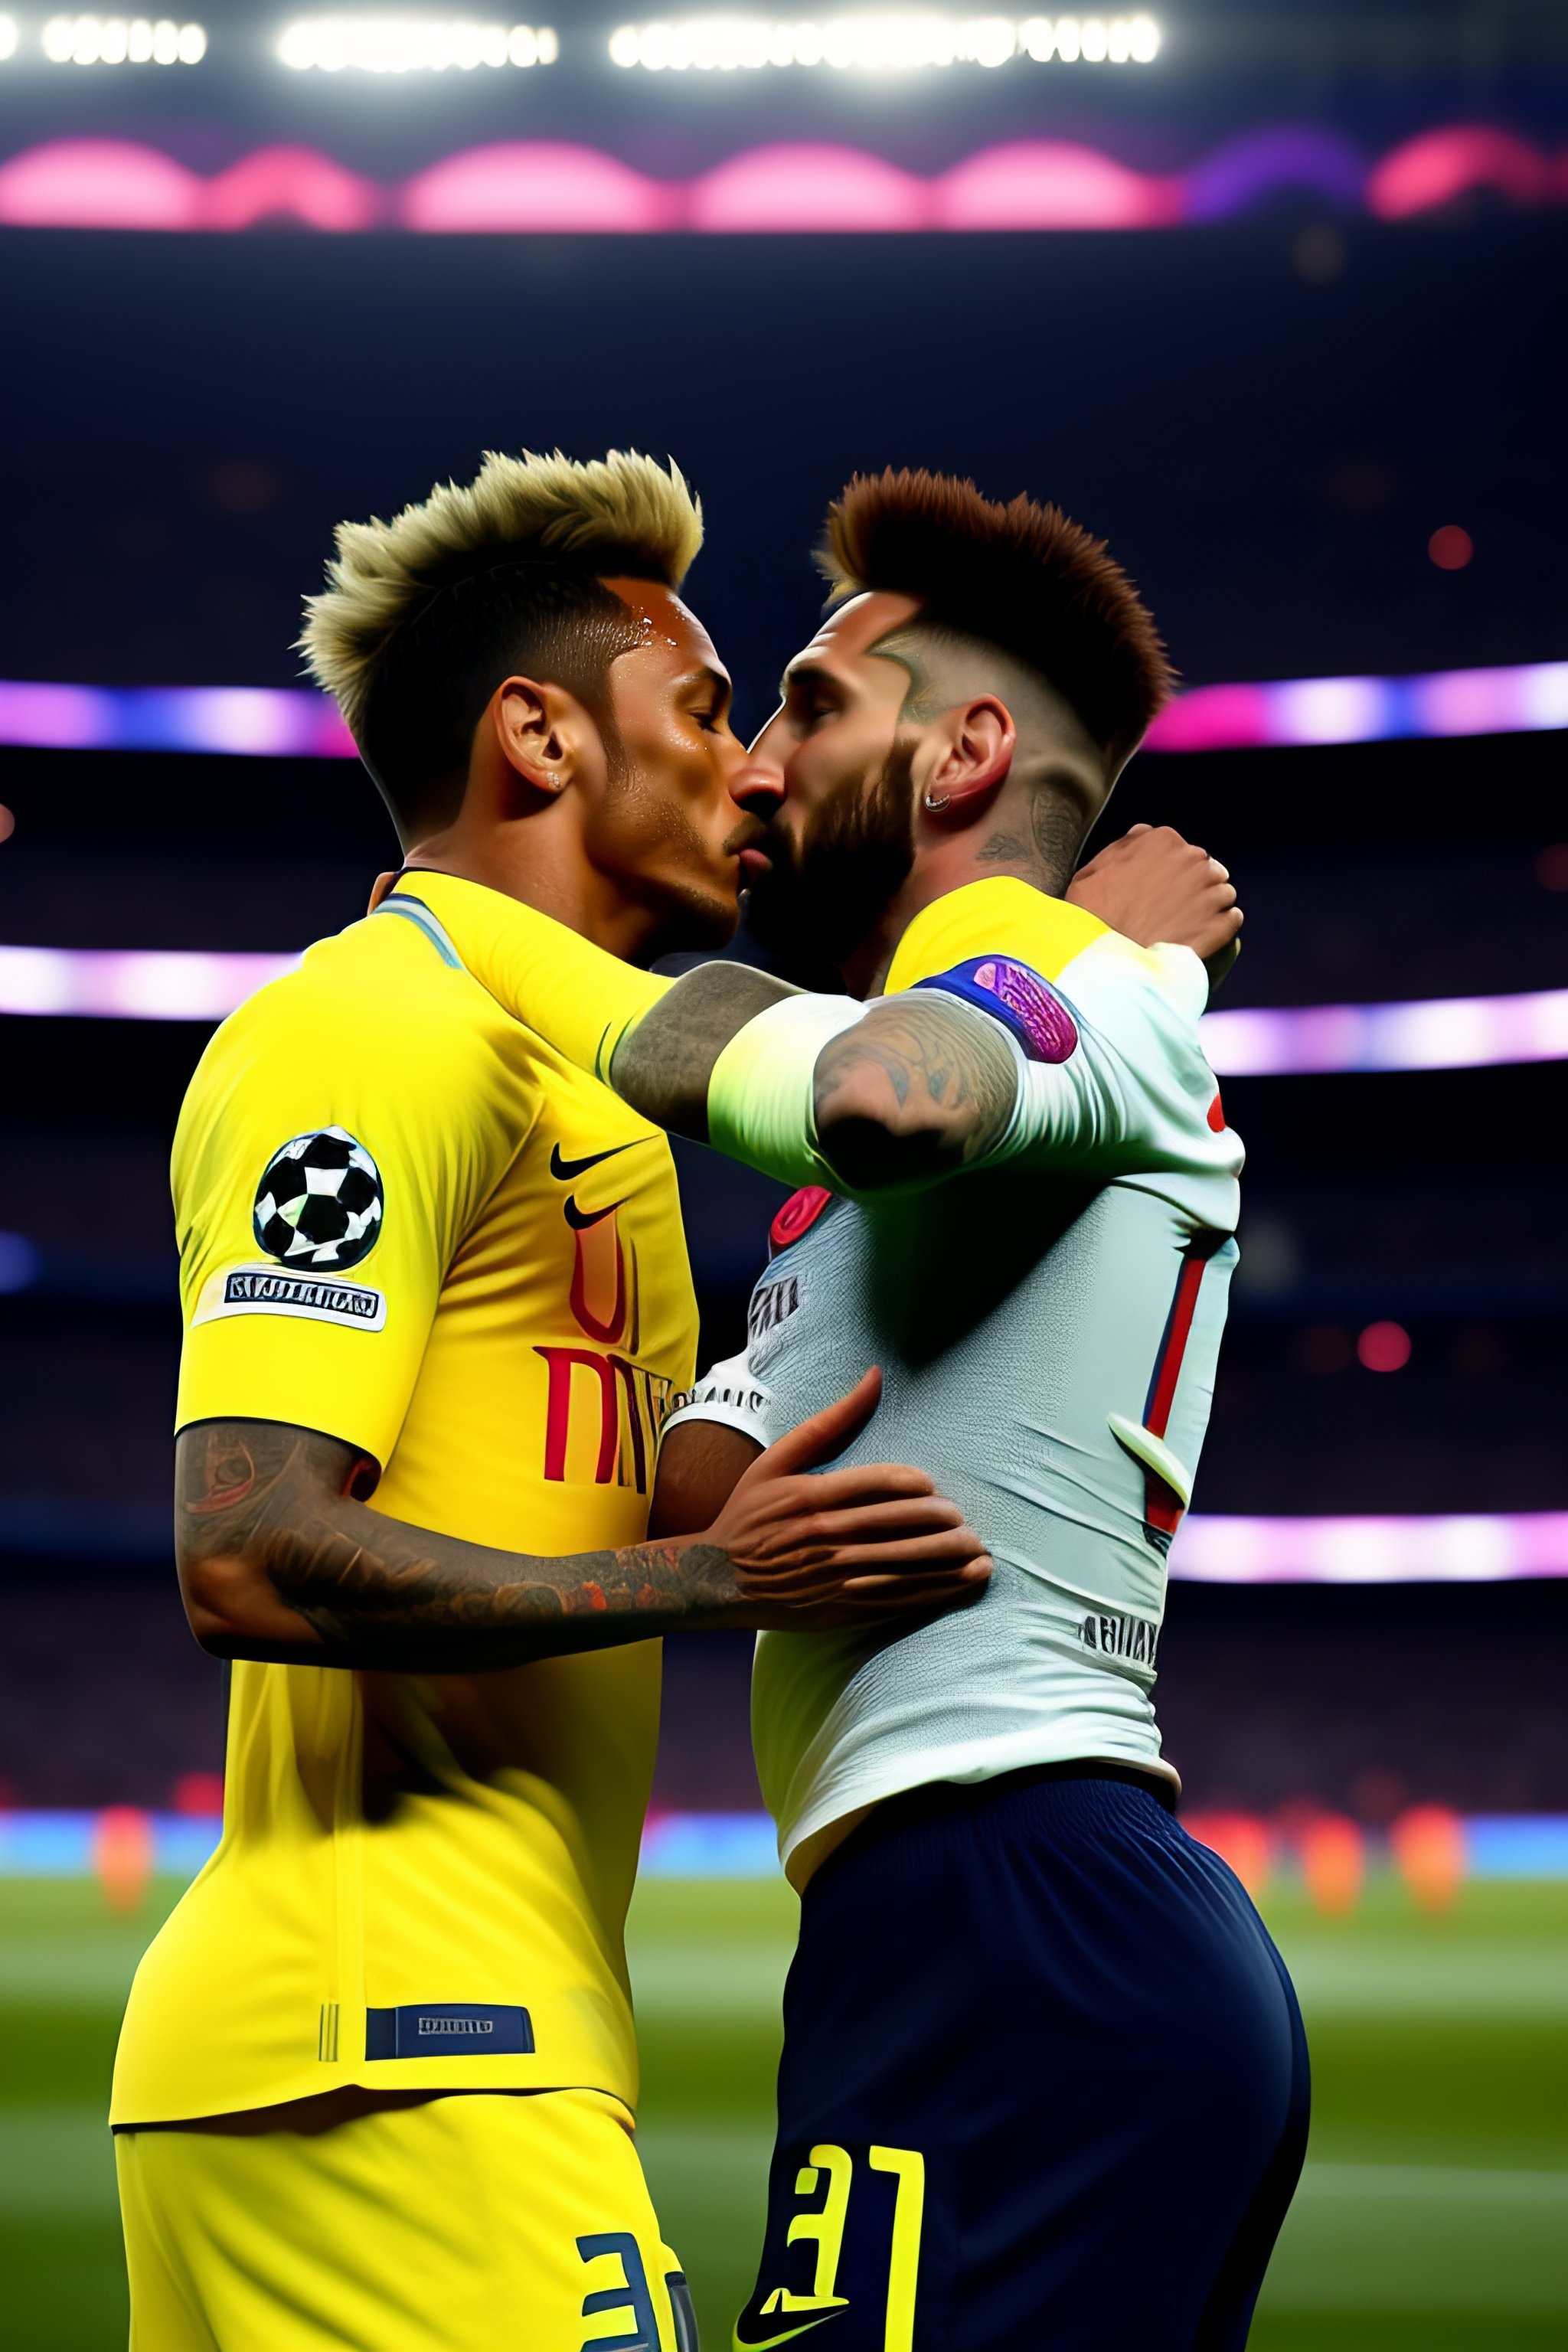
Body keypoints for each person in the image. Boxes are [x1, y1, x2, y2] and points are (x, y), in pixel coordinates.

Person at [109, 449, 996, 2352]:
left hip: (444, 2041)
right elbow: (246, 1555)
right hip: (392, 2042)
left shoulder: (586, 1100)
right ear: (537, 736)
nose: (751, 766)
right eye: (697, 711)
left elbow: (646, 1511)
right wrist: (712, 1585)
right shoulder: (366, 1025)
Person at [415, 470, 1308, 2352]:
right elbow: (704, 1495)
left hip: (1014, 1899)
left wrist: (485, 942)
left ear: (967, 749)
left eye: (813, 705)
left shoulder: (1082, 989)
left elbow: (891, 1089)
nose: (753, 769)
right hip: (975, 1914)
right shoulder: (858, 1201)